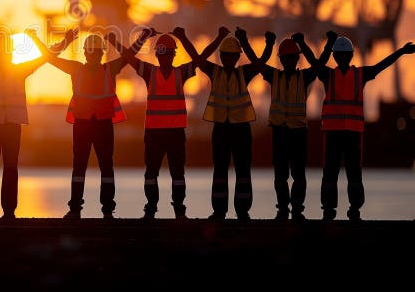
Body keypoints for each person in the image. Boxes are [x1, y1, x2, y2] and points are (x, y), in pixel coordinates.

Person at [0, 27, 75, 220]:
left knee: (8, 168)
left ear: (9, 55)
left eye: (4, 53)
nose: (2, 56)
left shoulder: (16, 71)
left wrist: (65, 41)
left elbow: (47, 57)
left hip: (9, 126)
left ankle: (8, 212)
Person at [306, 33, 415, 221]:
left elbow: (314, 63)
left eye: (339, 54)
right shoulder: (359, 74)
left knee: (334, 173)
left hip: (336, 134)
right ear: (350, 55)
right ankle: (352, 210)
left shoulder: (330, 75)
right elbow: (382, 65)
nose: (340, 58)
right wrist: (402, 52)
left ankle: (331, 211)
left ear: (337, 56)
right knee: (351, 173)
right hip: (351, 134)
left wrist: (402, 52)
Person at [175, 26, 273, 220]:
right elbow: (198, 58)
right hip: (222, 128)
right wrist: (185, 37)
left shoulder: (243, 73)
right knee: (220, 171)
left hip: (240, 129)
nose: (228, 59)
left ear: (237, 57)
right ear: (222, 56)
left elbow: (260, 64)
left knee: (242, 171)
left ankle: (242, 211)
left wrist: (250, 42)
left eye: (231, 55)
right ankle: (219, 211)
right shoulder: (216, 72)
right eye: (226, 55)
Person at [109, 26, 205, 220]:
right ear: (171, 54)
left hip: (163, 133)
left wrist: (181, 37)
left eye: (165, 53)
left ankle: (160, 210)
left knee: (164, 174)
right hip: (164, 133)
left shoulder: (154, 72)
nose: (165, 57)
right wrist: (181, 37)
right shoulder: (169, 72)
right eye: (165, 54)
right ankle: (166, 210)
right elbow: (199, 60)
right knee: (164, 174)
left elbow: (130, 58)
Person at [28, 29, 126, 219]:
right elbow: (50, 58)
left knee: (94, 167)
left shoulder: (98, 69)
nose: (94, 55)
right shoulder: (96, 69)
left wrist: (38, 39)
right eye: (93, 52)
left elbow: (130, 57)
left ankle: (91, 210)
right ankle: (84, 210)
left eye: (95, 52)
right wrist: (37, 40)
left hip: (95, 125)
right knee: (91, 167)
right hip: (89, 125)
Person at [237, 30, 332, 221]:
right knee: (281, 175)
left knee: (297, 174)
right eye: (286, 58)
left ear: (296, 59)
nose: (289, 61)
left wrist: (312, 44)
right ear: (282, 60)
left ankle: (296, 209)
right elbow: (257, 63)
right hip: (280, 132)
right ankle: (282, 208)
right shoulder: (274, 76)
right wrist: (246, 41)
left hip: (297, 132)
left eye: (291, 58)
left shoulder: (304, 77)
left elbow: (318, 65)